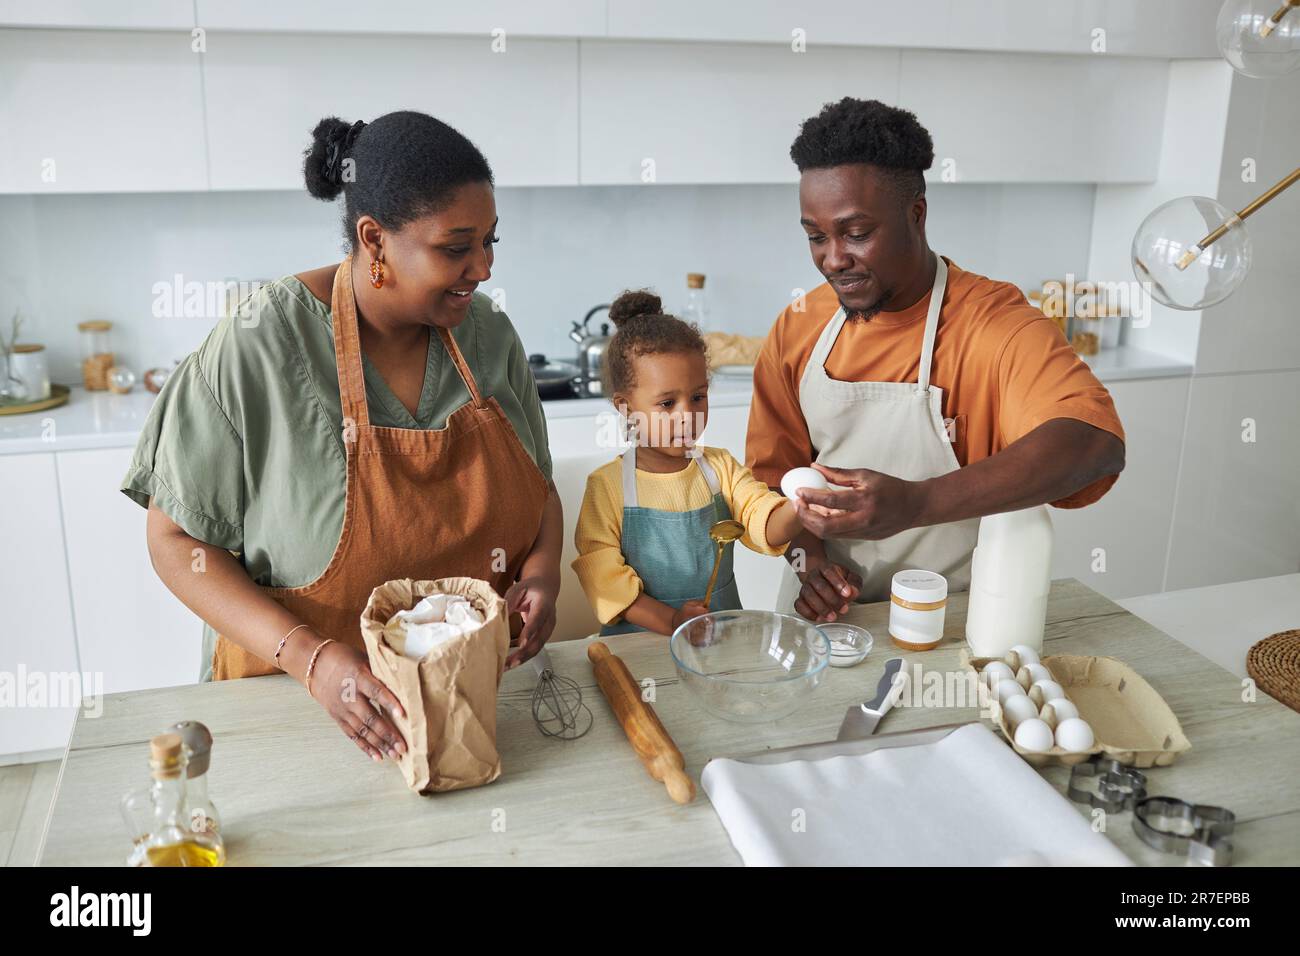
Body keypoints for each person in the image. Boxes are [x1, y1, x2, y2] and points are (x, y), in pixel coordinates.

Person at [121, 111, 562, 762]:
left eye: (492, 241)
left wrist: (543, 572)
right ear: (374, 240)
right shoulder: (261, 346)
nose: (484, 267)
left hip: (466, 712)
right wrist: (312, 658)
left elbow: (540, 491)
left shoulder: (489, 335)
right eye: (456, 247)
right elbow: (174, 541)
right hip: (291, 711)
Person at [746, 98, 1126, 623]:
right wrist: (808, 562)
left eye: (857, 233)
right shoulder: (798, 326)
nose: (833, 258)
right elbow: (770, 482)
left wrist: (916, 503)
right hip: (826, 625)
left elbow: (1094, 444)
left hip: (960, 623)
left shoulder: (994, 324)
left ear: (916, 214)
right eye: (816, 236)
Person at [572, 290, 804, 636]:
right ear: (625, 407)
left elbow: (761, 518)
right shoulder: (607, 487)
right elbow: (603, 578)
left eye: (698, 397)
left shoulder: (720, 468)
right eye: (667, 404)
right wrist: (673, 621)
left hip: (720, 643)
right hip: (639, 651)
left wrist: (801, 509)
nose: (688, 417)